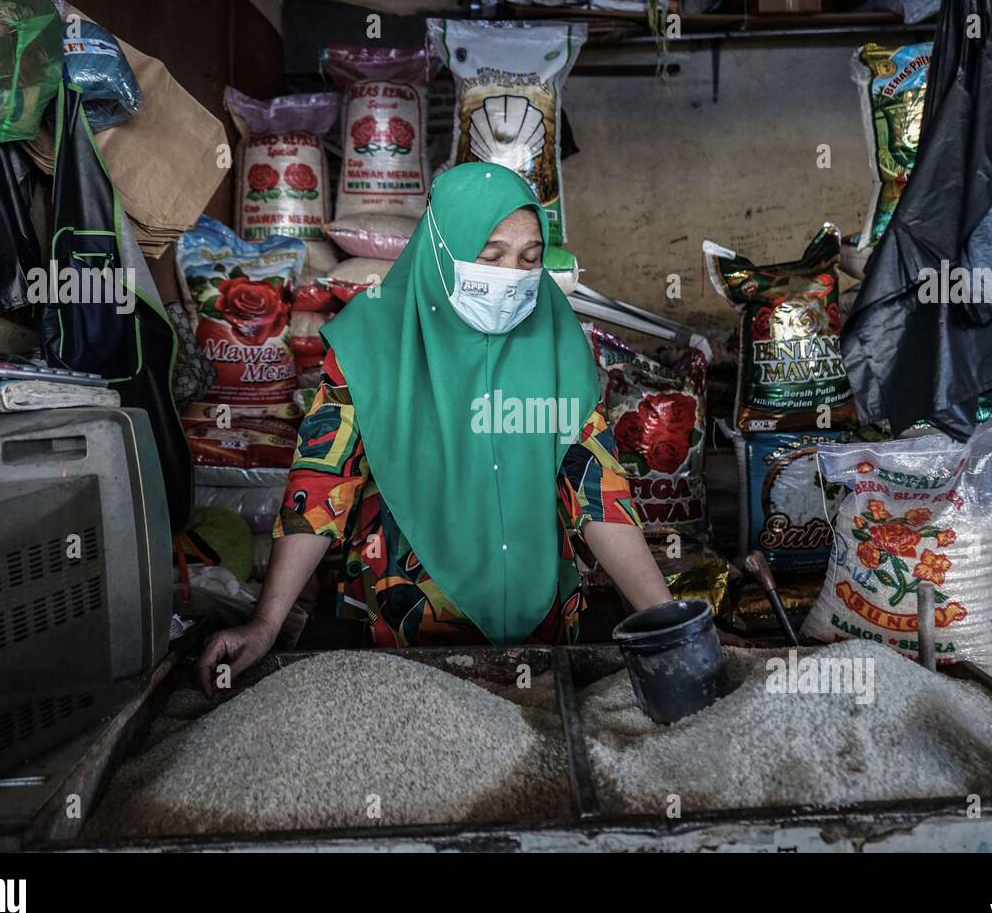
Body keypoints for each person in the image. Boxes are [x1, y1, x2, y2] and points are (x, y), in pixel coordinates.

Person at [197, 162, 678, 696]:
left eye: (530, 259)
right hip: (408, 623)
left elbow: (597, 492)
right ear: (441, 247)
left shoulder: (554, 336)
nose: (512, 276)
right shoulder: (371, 343)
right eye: (490, 256)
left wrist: (665, 621)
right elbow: (320, 486)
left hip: (539, 622)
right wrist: (265, 624)